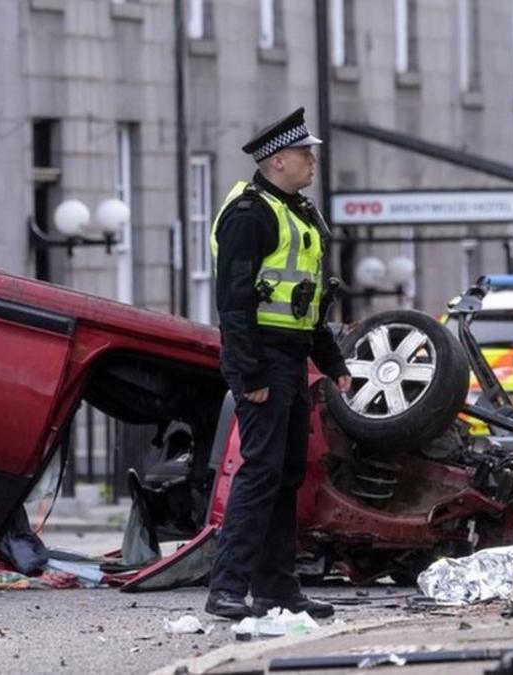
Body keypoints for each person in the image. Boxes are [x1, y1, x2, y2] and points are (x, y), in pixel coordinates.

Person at [205, 107, 351, 621]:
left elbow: (307, 303)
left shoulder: (299, 213)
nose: (312, 161)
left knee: (287, 473)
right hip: (262, 359)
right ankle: (227, 587)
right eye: (305, 154)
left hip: (290, 356)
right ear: (277, 160)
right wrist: (250, 375)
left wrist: (332, 362)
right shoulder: (250, 215)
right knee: (261, 471)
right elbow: (235, 302)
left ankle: (277, 590)